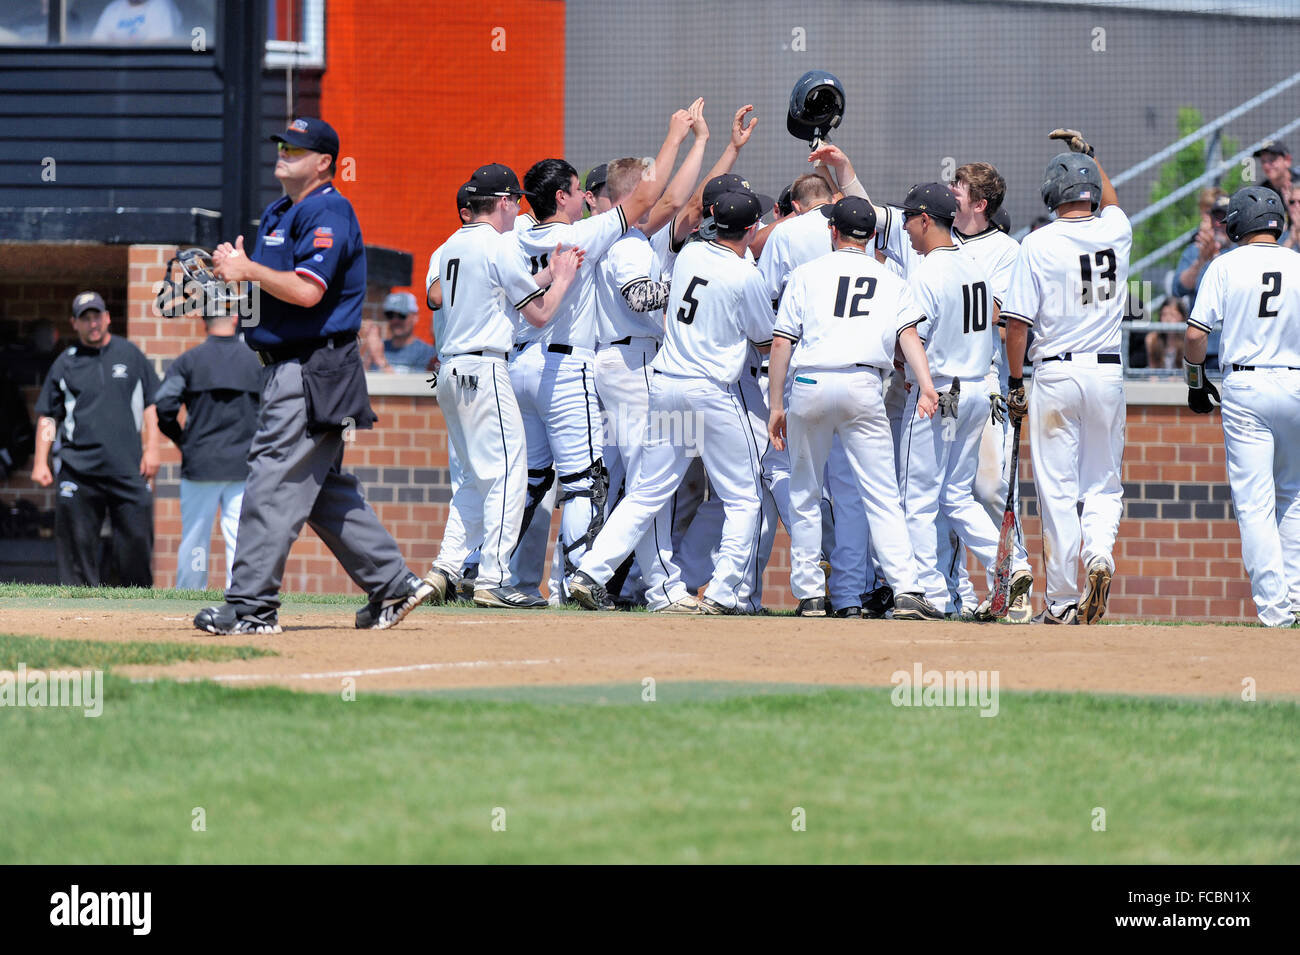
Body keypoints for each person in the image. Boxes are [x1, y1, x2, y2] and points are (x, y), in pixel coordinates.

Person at [195, 116, 434, 635]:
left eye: (295, 148)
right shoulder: (280, 211)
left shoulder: (329, 208)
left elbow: (308, 292)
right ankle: (393, 586)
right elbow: (272, 293)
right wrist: (236, 268)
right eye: (280, 144)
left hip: (312, 367)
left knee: (270, 479)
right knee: (322, 489)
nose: (282, 152)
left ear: (324, 162)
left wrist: (249, 269)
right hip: (292, 367)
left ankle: (252, 607)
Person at [508, 110, 693, 602]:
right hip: (572, 366)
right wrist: (675, 133)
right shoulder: (582, 234)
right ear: (564, 197)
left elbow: (668, 203)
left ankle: (503, 579)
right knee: (587, 483)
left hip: (520, 364)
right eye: (576, 190)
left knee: (532, 484)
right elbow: (657, 198)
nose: (584, 199)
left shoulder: (514, 238)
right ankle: (580, 582)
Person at [567, 190, 773, 614]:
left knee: (646, 491)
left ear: (714, 220)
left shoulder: (690, 256)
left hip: (665, 384)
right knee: (744, 497)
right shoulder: (744, 274)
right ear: (751, 229)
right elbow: (765, 339)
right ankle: (721, 592)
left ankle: (590, 572)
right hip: (709, 391)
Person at [767, 196, 946, 620]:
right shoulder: (890, 278)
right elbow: (910, 337)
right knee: (880, 494)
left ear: (834, 231)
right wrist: (926, 385)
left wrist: (776, 404)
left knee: (806, 492)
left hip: (810, 382)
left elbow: (780, 343)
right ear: (869, 238)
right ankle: (904, 589)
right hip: (864, 385)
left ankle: (811, 595)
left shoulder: (808, 273)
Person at [422, 163, 581, 609]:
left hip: (451, 369)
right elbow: (539, 315)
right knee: (510, 476)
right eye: (516, 202)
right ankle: (492, 577)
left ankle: (446, 567)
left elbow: (498, 298)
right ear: (505, 202)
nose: (518, 211)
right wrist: (563, 279)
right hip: (485, 367)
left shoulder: (451, 244)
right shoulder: (498, 245)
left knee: (475, 478)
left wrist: (547, 274)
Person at [1003, 130, 1131, 625]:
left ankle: (1059, 602)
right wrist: (1090, 157)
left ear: (1051, 193)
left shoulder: (1036, 242)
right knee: (1103, 483)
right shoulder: (1116, 230)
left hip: (1055, 372)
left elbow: (1017, 324)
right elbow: (1113, 201)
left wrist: (1016, 382)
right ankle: (1099, 553)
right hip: (1108, 372)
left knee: (1056, 490)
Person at [890, 183, 1034, 619]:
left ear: (925, 219)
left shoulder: (928, 270)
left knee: (917, 498)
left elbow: (910, 334)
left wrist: (917, 376)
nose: (906, 228)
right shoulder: (974, 263)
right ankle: (1012, 564)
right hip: (978, 391)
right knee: (955, 496)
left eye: (909, 219)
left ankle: (929, 593)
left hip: (941, 393)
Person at [1184, 186, 1299, 628]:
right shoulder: (1298, 261)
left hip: (1247, 384)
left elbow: (1196, 335)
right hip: (1295, 381)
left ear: (1238, 224)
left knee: (1255, 503)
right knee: (1293, 496)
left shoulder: (1226, 265)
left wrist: (1195, 382)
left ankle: (1275, 610)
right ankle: (1295, 598)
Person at [31, 291, 161, 587]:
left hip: (128, 468)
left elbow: (152, 405)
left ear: (107, 318)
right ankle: (79, 610)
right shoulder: (65, 363)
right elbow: (49, 416)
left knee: (137, 545)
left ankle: (135, 603)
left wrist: (152, 449)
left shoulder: (130, 355)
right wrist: (41, 461)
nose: (93, 323)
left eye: (97, 316)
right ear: (74, 323)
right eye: (85, 318)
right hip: (79, 470)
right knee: (76, 550)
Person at [154, 311, 262, 591]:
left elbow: (164, 406)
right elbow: (275, 409)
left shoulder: (189, 361)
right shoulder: (256, 361)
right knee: (239, 536)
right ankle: (241, 598)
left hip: (200, 461)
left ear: (204, 321)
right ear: (235, 319)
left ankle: (190, 597)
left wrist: (182, 441)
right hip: (244, 463)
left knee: (195, 538)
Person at [363, 291, 437, 373]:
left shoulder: (426, 353)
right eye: (390, 315)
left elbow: (413, 385)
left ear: (415, 317)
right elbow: (364, 380)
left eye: (401, 315)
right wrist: (370, 354)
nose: (395, 321)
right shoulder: (380, 348)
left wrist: (380, 360)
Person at [91, 0, 181, 42]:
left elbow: (155, 47)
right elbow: (97, 43)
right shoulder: (113, 8)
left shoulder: (161, 5)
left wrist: (116, 41)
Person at [1145, 295, 1189, 370]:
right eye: (1164, 314)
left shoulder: (1188, 340)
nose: (1168, 319)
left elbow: (1187, 372)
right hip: (1160, 380)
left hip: (1180, 381)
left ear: (1182, 317)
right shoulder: (1152, 339)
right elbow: (1153, 371)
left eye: (1173, 315)